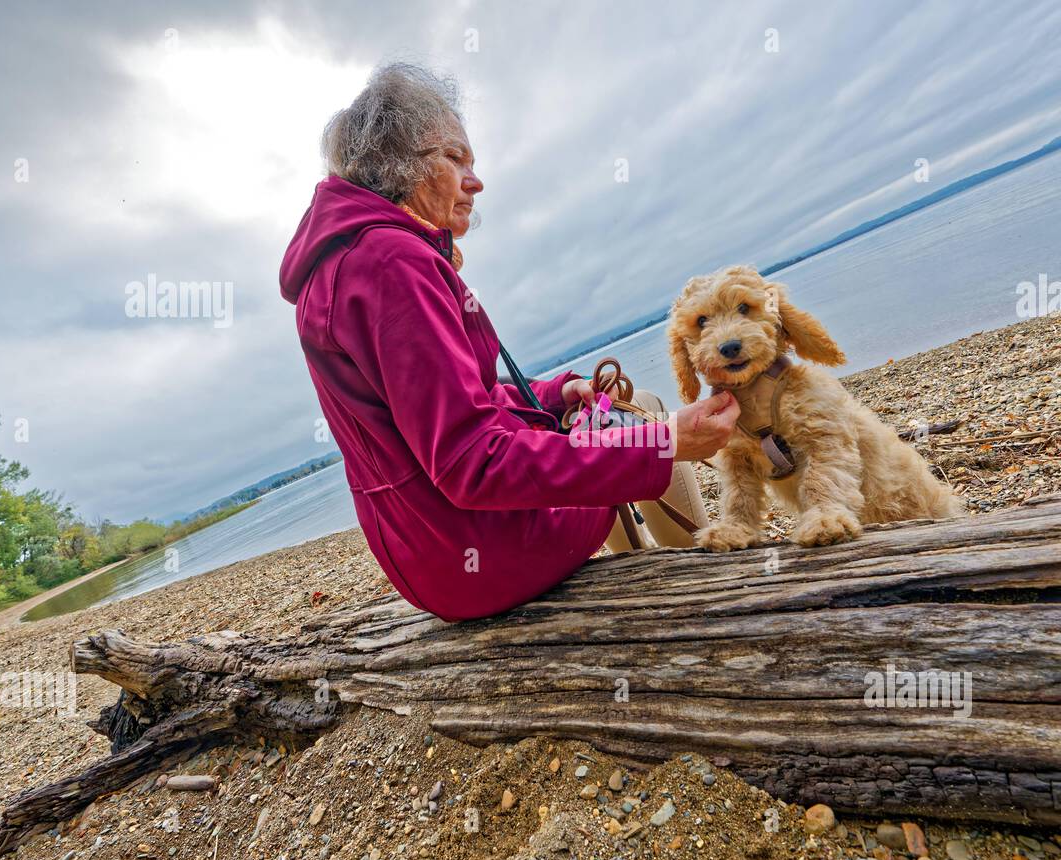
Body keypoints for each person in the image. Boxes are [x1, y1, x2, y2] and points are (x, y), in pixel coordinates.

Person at [279, 62, 738, 621]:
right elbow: (472, 462)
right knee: (642, 419)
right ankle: (707, 600)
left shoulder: (343, 261)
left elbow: (456, 403)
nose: (476, 181)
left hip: (430, 553)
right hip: (482, 554)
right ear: (398, 167)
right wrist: (664, 444)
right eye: (455, 159)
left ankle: (645, 586)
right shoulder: (390, 263)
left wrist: (549, 395)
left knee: (605, 418)